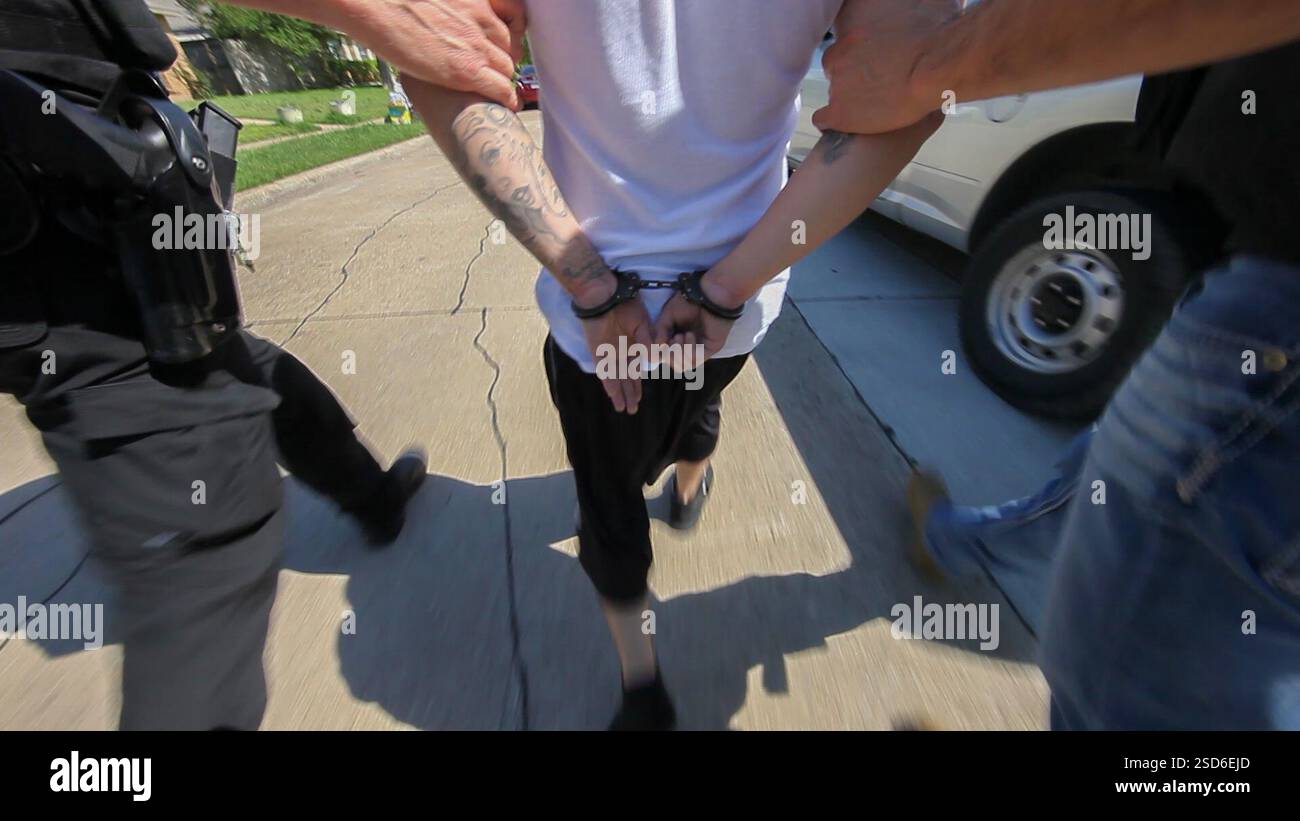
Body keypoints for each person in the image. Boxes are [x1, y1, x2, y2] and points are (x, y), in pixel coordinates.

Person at [404, 0, 941, 729]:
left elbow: (443, 63)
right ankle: (690, 487)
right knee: (696, 397)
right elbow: (905, 101)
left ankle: (643, 691)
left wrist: (593, 285)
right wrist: (725, 289)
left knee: (609, 498)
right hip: (736, 294)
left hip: (595, 317)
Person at [0, 0, 517, 730]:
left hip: (68, 215)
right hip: (61, 224)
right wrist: (378, 13)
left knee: (260, 374)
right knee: (202, 570)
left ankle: (371, 496)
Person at [823, 0, 1300, 729]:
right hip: (1255, 281)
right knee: (1128, 457)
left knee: (1122, 708)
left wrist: (927, 66)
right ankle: (966, 537)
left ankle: (965, 538)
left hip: (1281, 326)